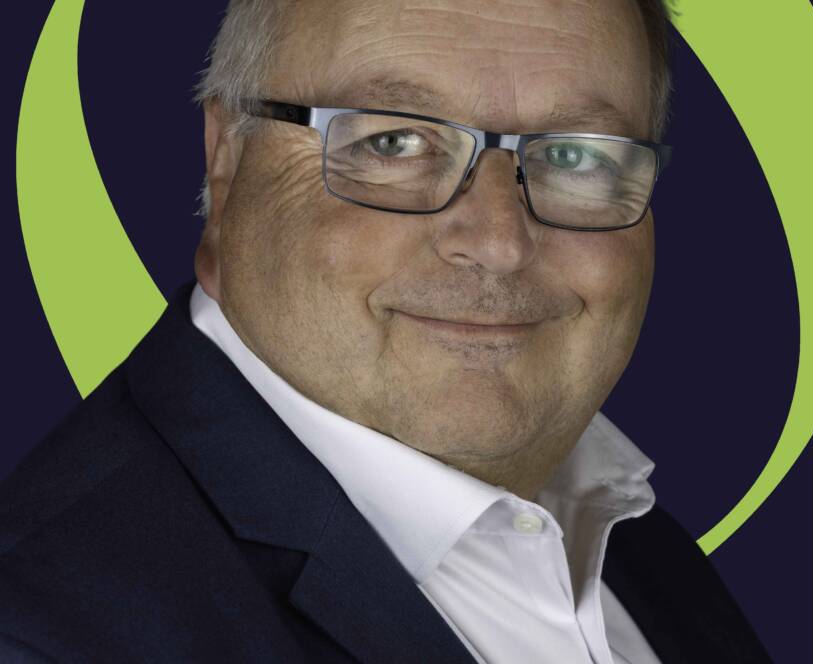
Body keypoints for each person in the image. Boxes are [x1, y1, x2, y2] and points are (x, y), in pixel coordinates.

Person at [0, 0, 772, 662]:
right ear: (226, 165)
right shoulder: (40, 631)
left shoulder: (636, 545)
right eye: (393, 142)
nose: (498, 242)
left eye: (573, 156)